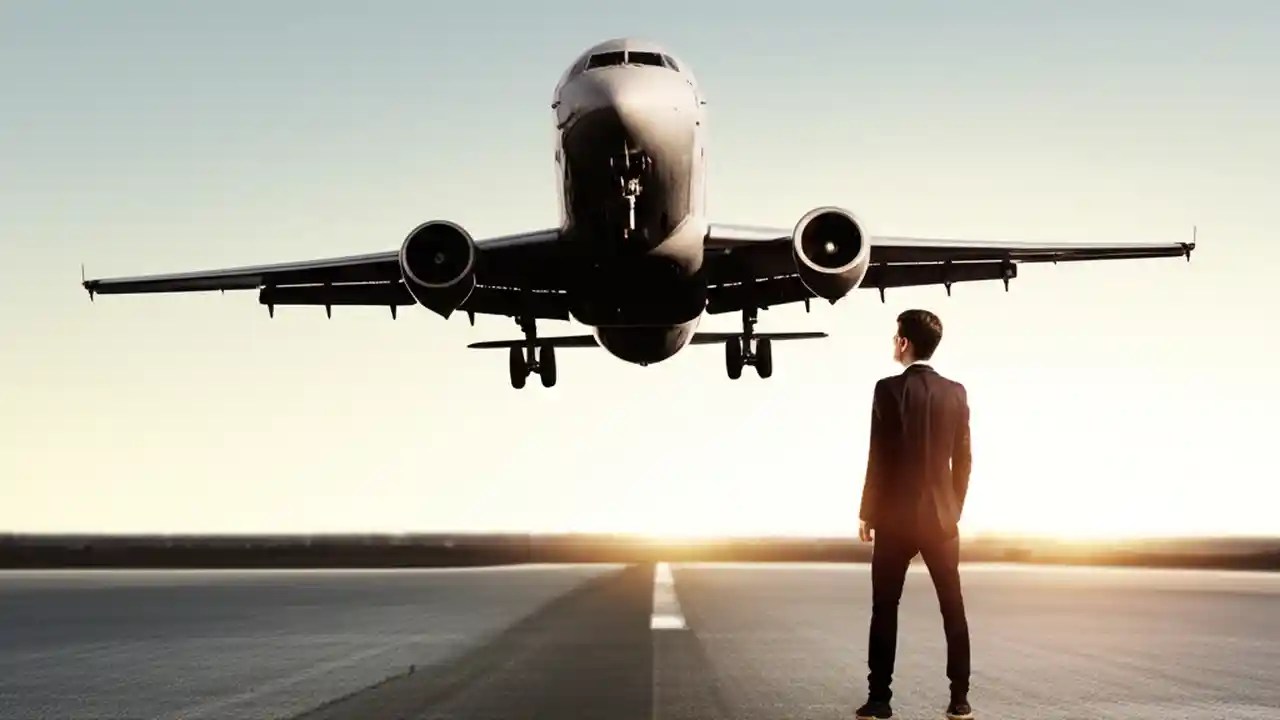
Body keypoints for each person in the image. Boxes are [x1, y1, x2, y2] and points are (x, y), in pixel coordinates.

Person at [854, 309, 973, 720]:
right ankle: (959, 699)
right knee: (952, 607)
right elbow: (964, 459)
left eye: (894, 338)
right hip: (942, 520)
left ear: (904, 343)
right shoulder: (956, 392)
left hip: (895, 519)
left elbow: (878, 458)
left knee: (885, 608)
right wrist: (952, 508)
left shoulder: (886, 390)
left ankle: (880, 700)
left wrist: (868, 511)